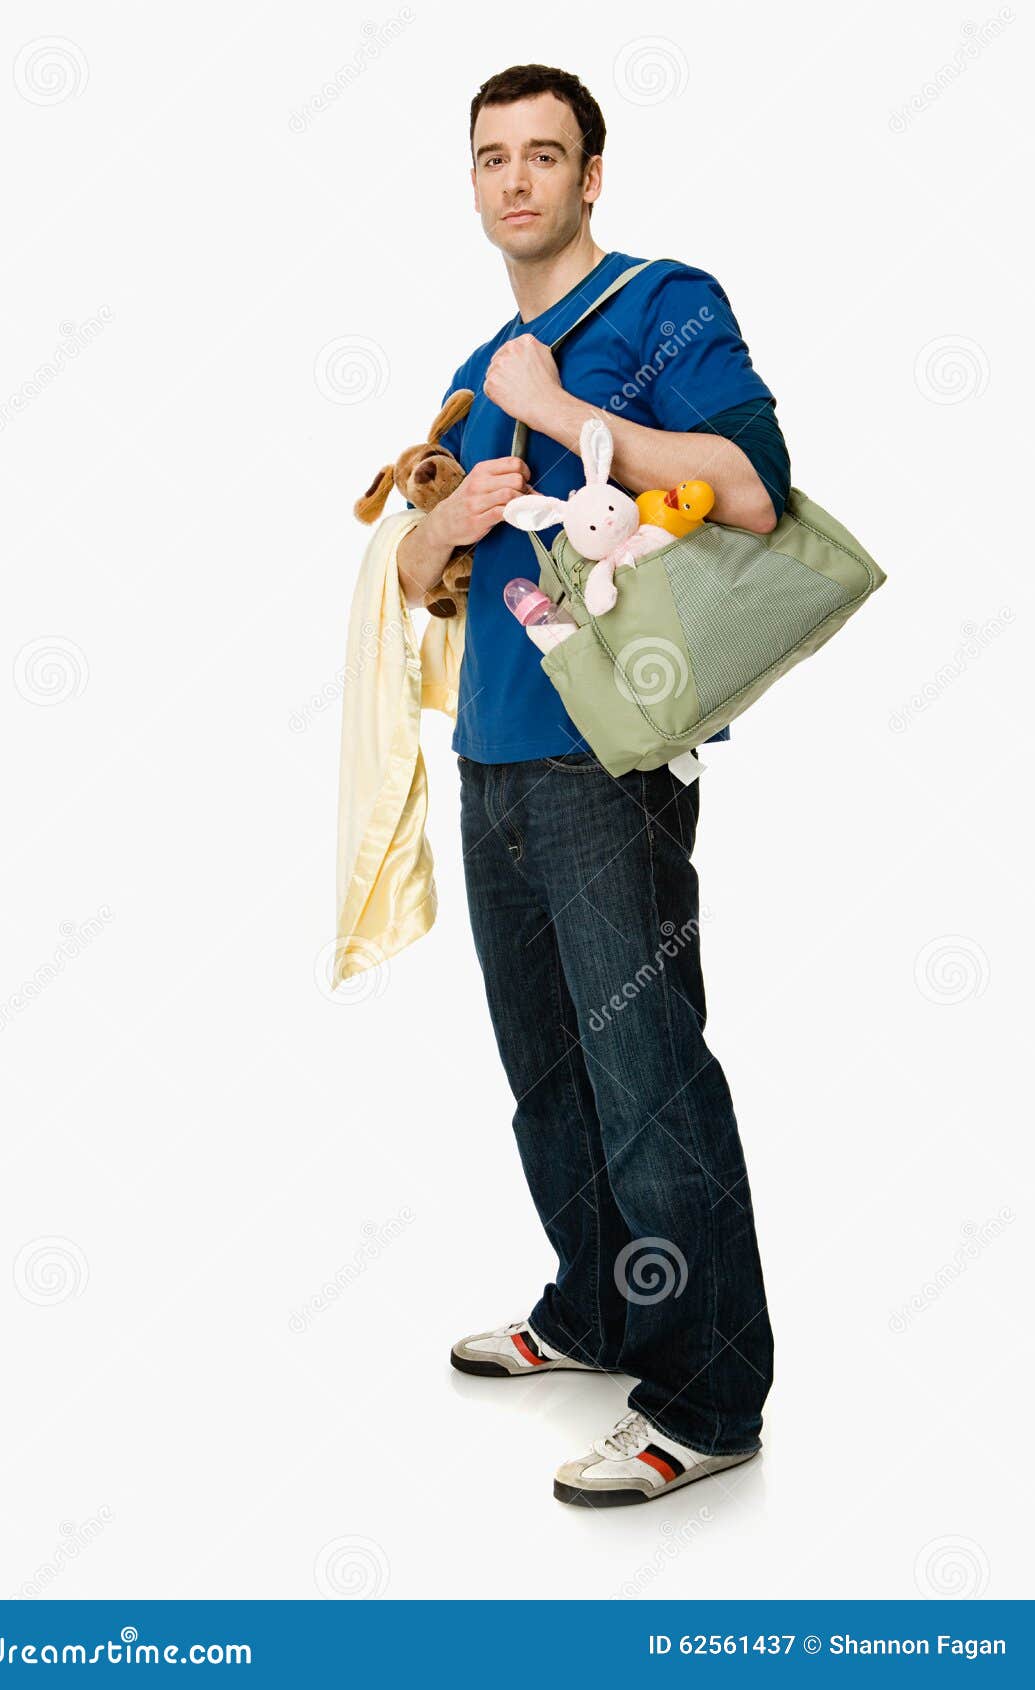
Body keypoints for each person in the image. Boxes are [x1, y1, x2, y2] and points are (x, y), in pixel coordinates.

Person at [397, 63, 786, 1508]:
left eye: (544, 154)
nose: (516, 179)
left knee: (647, 1076)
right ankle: (600, 1308)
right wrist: (446, 520)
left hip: (612, 757)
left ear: (591, 175)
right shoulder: (475, 360)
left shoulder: (661, 305)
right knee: (547, 1073)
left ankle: (708, 1397)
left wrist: (556, 409)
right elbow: (413, 576)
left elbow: (754, 490)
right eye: (492, 156)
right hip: (493, 754)